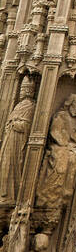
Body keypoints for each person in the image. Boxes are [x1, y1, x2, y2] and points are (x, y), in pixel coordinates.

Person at [0, 76, 35, 204]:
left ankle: (10, 195)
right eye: (20, 89)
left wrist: (15, 124)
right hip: (9, 139)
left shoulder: (31, 106)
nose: (21, 91)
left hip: (18, 141)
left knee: (12, 165)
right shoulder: (19, 105)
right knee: (4, 163)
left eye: (23, 89)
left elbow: (27, 125)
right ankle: (4, 193)